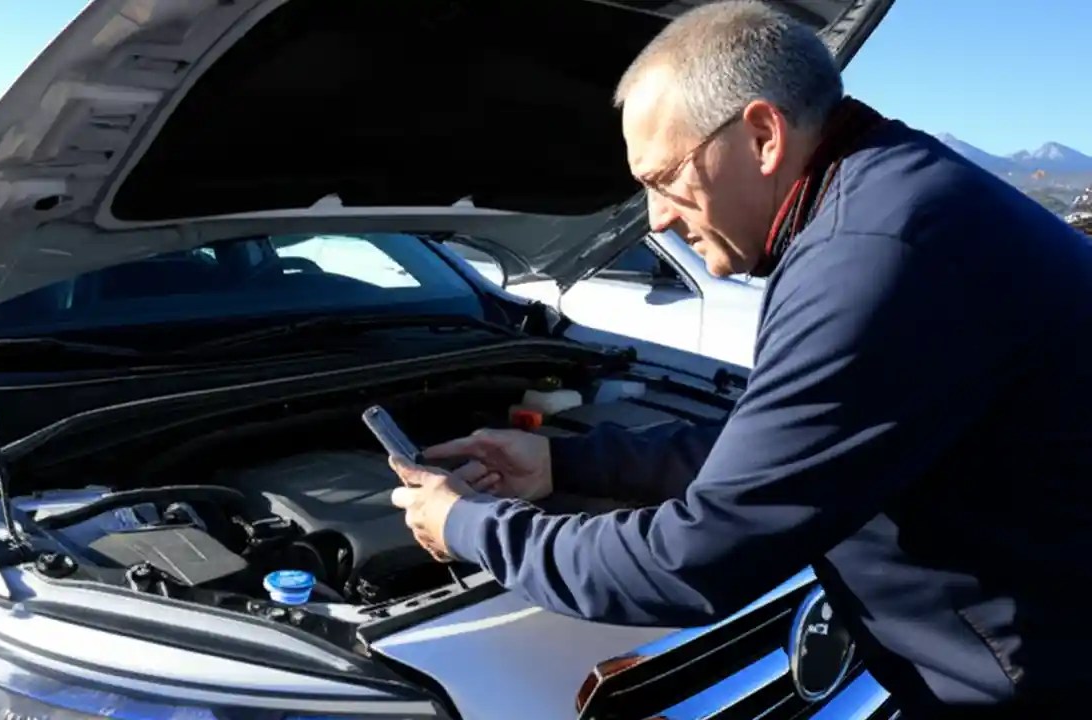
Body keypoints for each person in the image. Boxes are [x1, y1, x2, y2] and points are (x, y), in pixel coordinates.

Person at [387, 1, 1092, 716]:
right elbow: (784, 452)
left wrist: (466, 524)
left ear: (761, 134)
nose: (656, 217)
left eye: (663, 179)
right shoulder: (895, 196)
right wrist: (563, 465)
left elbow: (688, 566)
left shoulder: (871, 257)